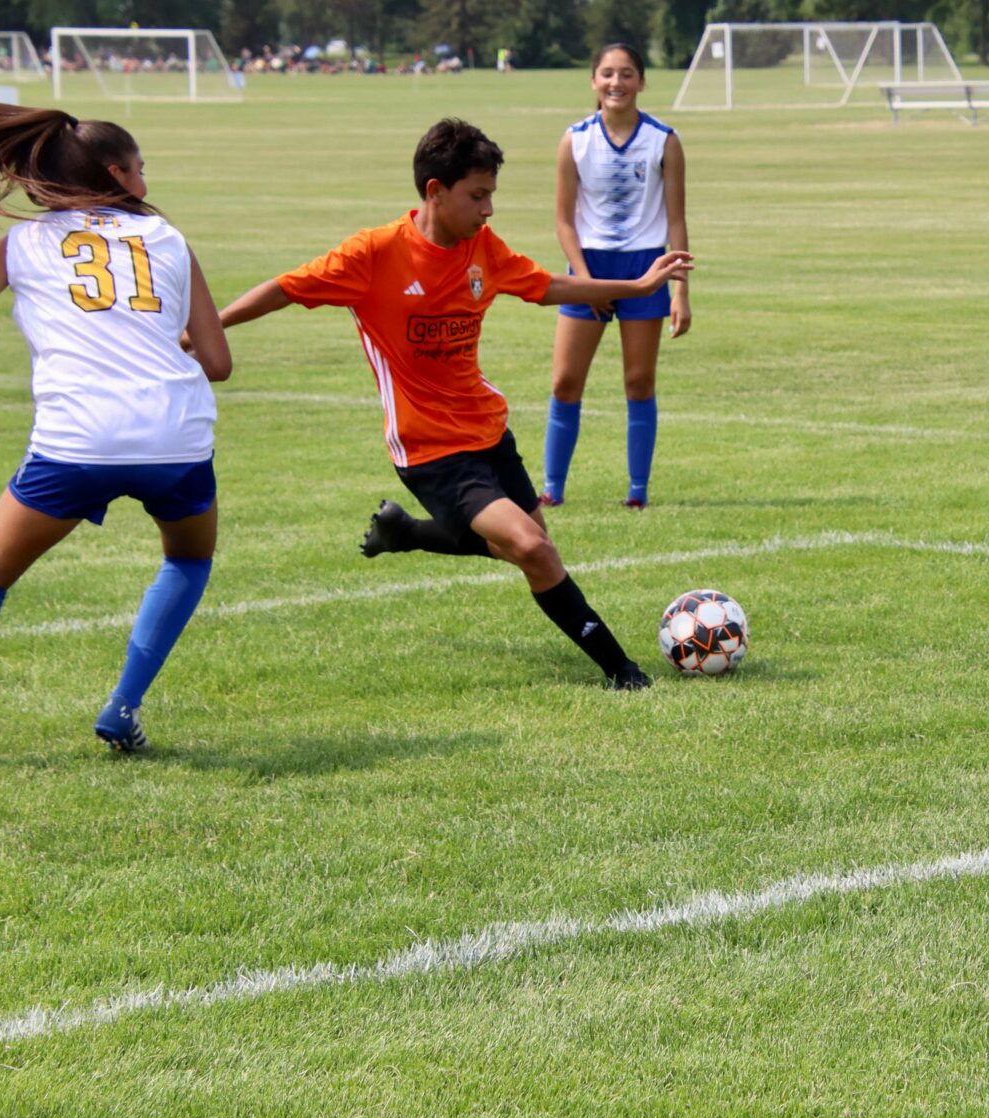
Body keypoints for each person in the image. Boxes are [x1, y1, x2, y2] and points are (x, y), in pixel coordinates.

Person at [210, 118, 691, 690]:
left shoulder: (480, 248)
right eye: (477, 196)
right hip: (430, 447)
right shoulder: (373, 254)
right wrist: (210, 328)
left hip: (489, 430)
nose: (488, 212)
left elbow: (544, 286)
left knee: (529, 549)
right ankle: (623, 672)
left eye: (491, 196)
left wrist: (635, 288)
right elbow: (285, 287)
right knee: (533, 548)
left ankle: (408, 534)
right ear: (435, 191)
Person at [0, 100, 232, 776]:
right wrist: (162, 342)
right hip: (175, 439)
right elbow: (217, 364)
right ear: (115, 173)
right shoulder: (169, 240)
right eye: (139, 168)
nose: (146, 182)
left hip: (76, 443)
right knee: (188, 560)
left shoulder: (20, 244)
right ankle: (123, 706)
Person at [541, 43, 690, 510]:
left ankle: (637, 493)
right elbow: (564, 221)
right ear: (593, 81)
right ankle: (552, 490)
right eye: (607, 74)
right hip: (589, 267)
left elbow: (676, 221)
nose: (616, 83)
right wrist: (585, 282)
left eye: (627, 74)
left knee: (638, 382)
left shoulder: (663, 140)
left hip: (646, 267)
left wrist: (681, 291)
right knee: (566, 382)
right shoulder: (576, 139)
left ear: (641, 82)